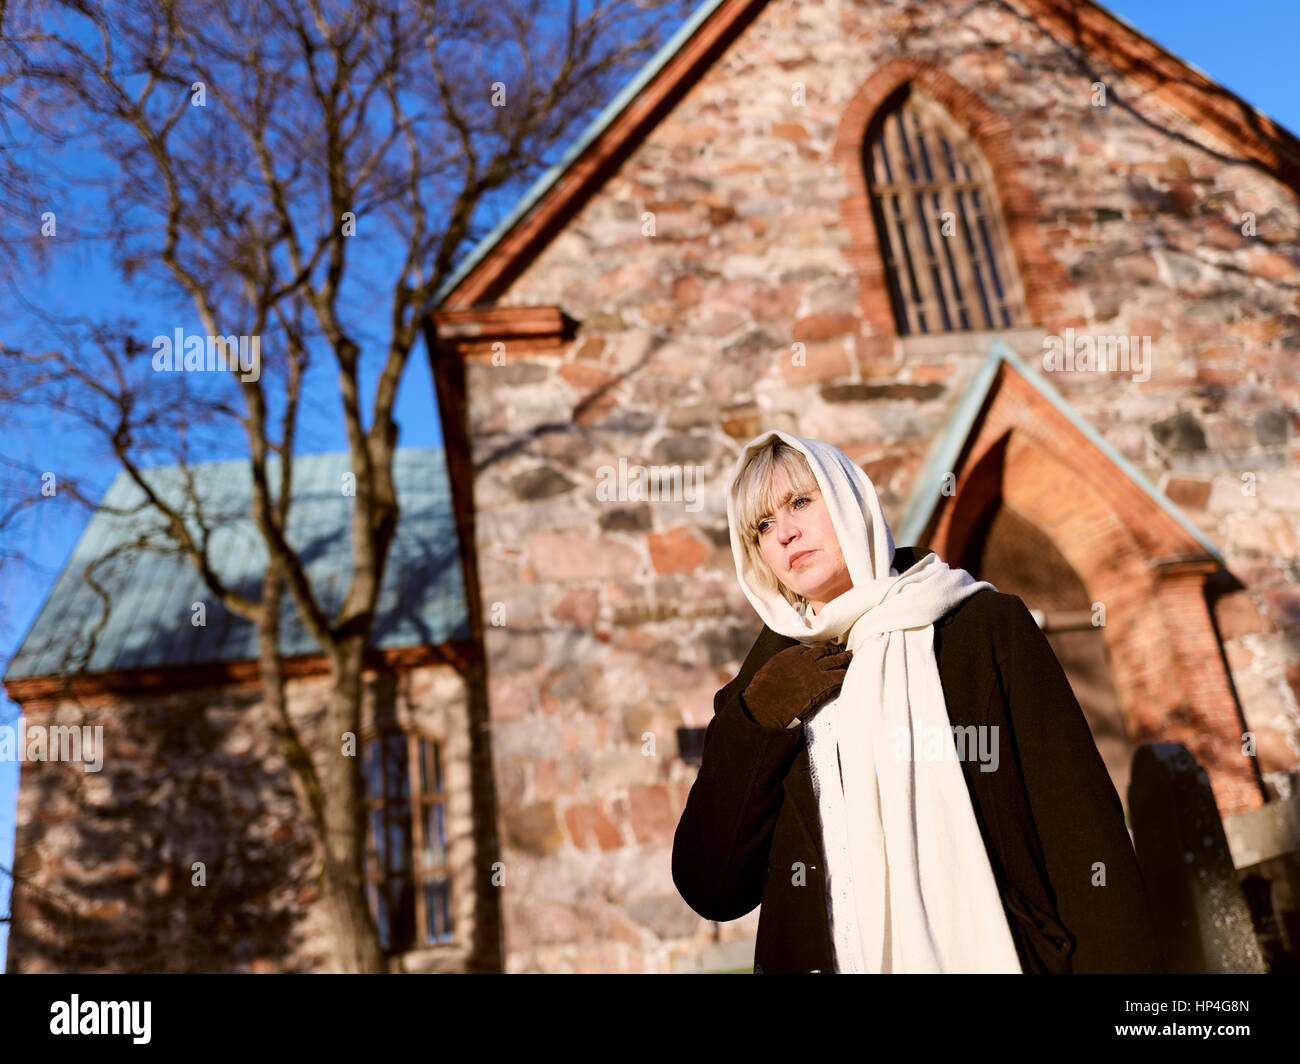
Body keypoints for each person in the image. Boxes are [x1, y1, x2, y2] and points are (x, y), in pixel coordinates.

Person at [671, 429, 1165, 973]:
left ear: (849, 501)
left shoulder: (982, 629)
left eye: (800, 502)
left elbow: (1081, 832)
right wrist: (756, 724)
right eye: (762, 526)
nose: (785, 533)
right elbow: (712, 889)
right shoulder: (762, 687)